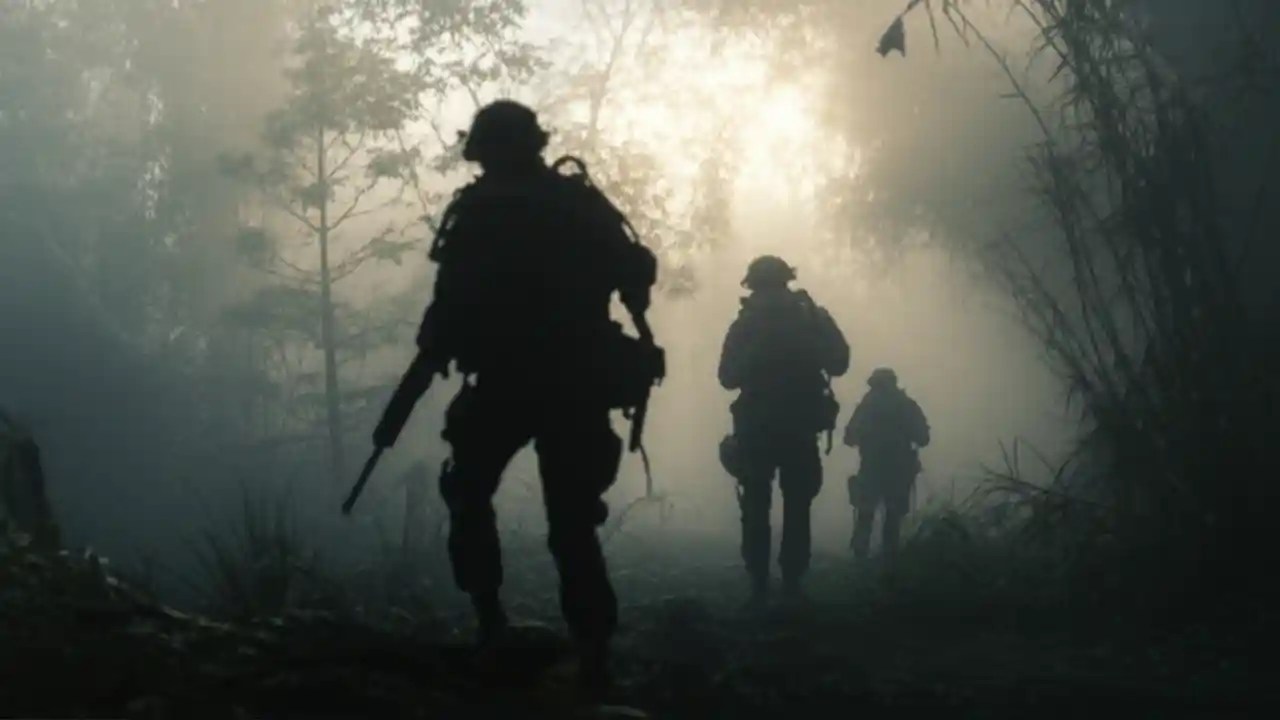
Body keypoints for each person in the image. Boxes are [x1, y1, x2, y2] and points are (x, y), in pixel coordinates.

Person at [387, 100, 662, 692]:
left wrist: (435, 346)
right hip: (571, 382)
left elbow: (450, 295)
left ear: (487, 151)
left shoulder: (480, 209)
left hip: (511, 381)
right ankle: (586, 651)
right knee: (568, 523)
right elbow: (636, 269)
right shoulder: (575, 203)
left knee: (472, 495)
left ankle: (495, 627)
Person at [717, 256, 849, 604]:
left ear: (752, 285)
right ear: (788, 280)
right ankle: (792, 581)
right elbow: (840, 361)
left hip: (757, 426)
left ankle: (759, 581)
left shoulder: (745, 324)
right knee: (797, 504)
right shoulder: (810, 316)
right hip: (799, 425)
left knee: (757, 504)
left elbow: (727, 378)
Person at [844, 367, 930, 564]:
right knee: (892, 517)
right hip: (899, 470)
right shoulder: (906, 405)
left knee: (866, 514)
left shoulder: (867, 406)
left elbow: (849, 437)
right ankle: (889, 561)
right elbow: (923, 437)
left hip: (871, 467)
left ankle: (860, 558)